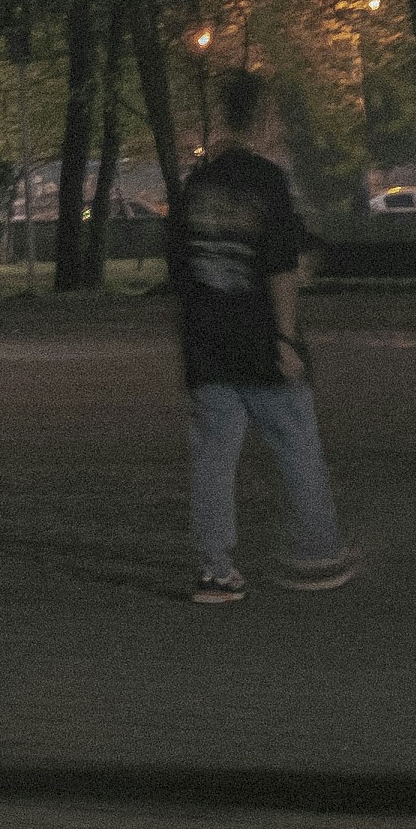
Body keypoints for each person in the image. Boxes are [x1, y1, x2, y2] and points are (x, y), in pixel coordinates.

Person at [174, 71, 354, 603]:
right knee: (298, 444)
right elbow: (281, 268)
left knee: (213, 459)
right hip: (259, 342)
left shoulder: (197, 185)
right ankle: (318, 553)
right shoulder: (268, 182)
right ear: (263, 117)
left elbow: (182, 274)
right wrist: (286, 339)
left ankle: (215, 570)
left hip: (207, 343)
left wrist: (186, 352)